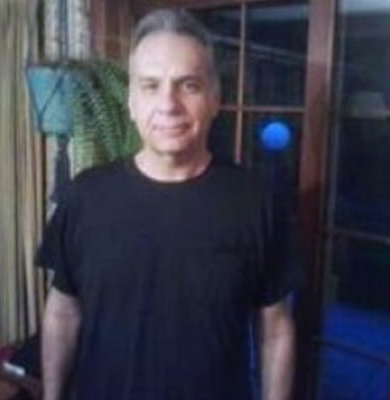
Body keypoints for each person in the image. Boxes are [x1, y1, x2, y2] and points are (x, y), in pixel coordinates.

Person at [39, 8, 298, 400]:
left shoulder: (257, 202)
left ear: (215, 99)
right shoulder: (84, 197)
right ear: (131, 102)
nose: (168, 104)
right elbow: (63, 312)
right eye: (150, 85)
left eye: (188, 85)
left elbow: (276, 330)